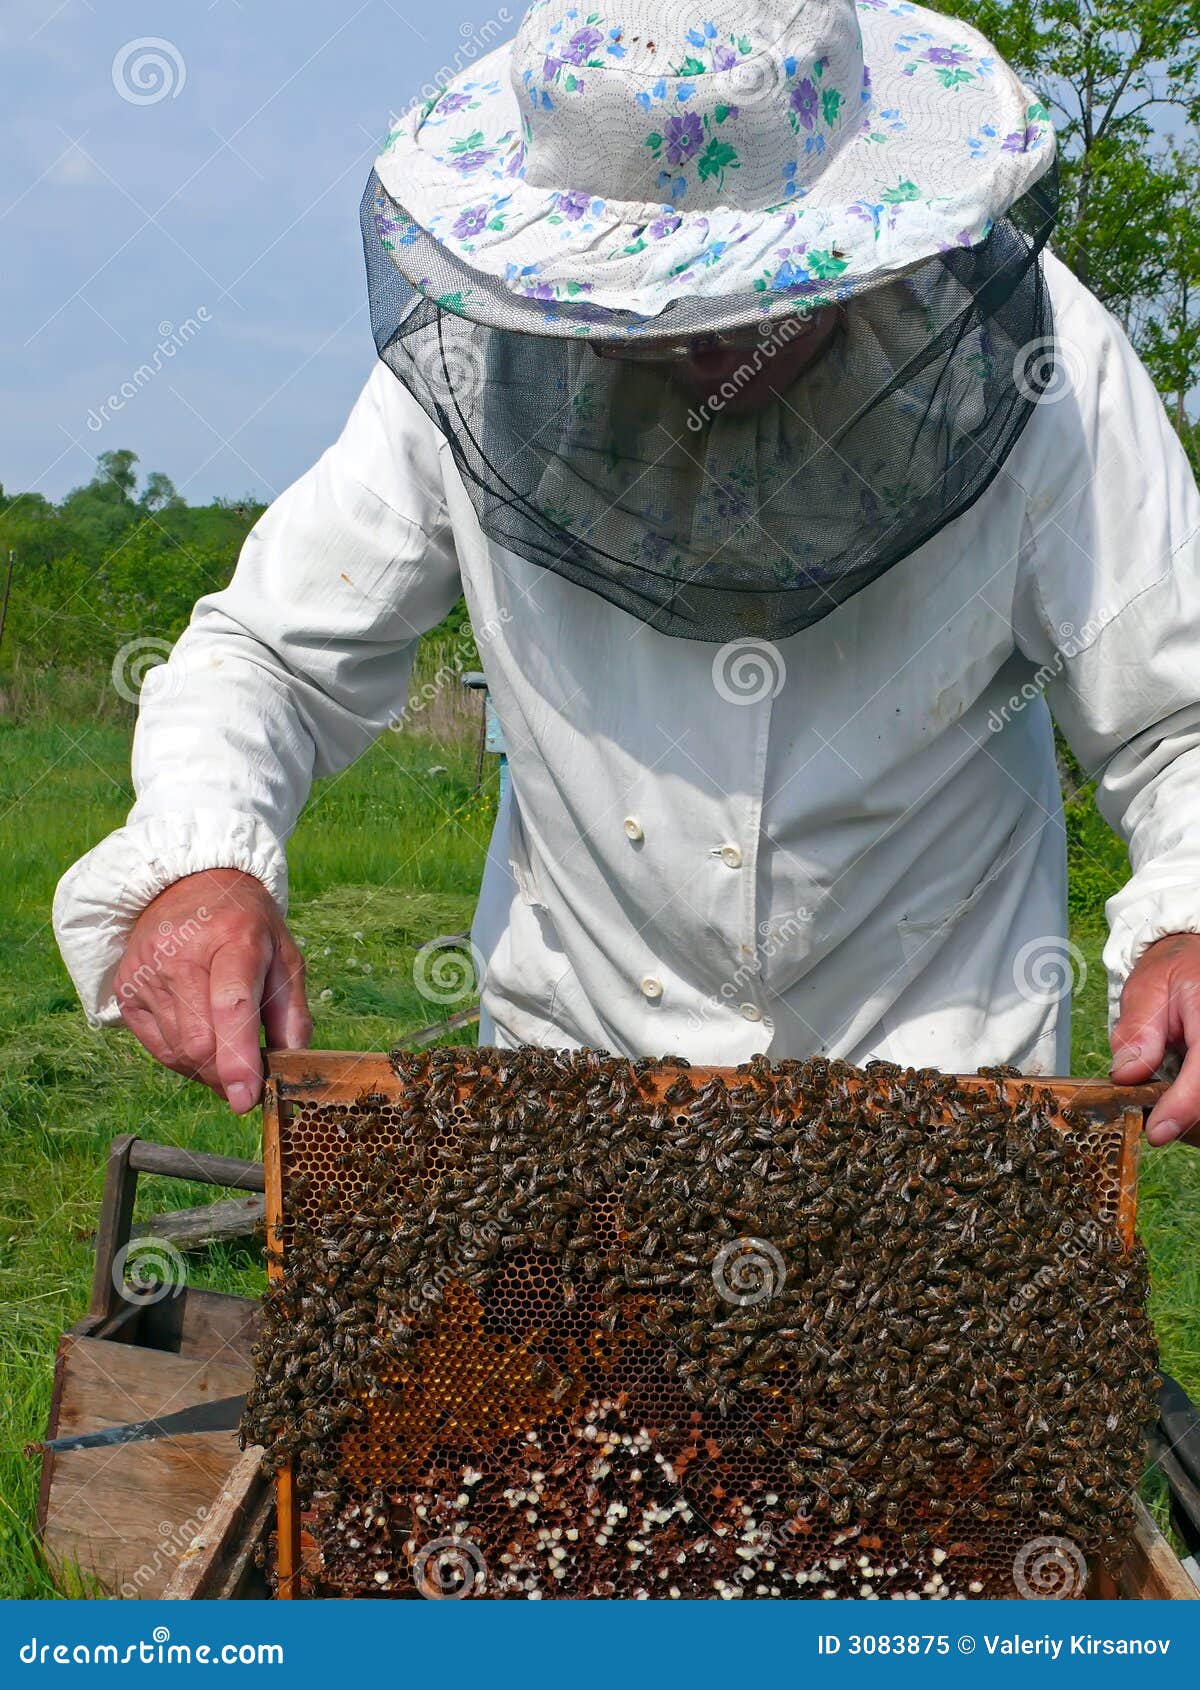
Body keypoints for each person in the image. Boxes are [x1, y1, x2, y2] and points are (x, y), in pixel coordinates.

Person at [53, 1, 1200, 1147]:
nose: (698, 335)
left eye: (749, 291)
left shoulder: (1047, 363)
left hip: (941, 1098)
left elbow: (1176, 717)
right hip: (576, 1101)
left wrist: (1190, 919)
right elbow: (271, 655)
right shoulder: (473, 372)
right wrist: (203, 853)